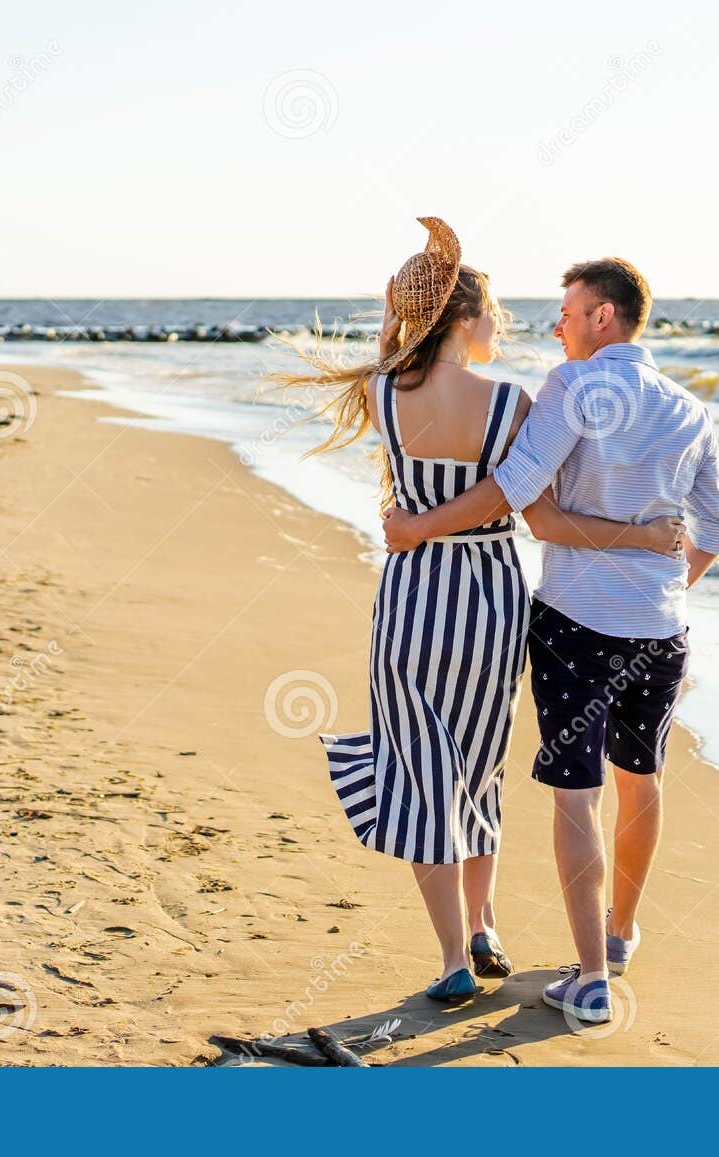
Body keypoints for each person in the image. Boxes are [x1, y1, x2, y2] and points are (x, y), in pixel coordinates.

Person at [276, 220, 683, 1002]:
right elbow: (519, 495)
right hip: (490, 598)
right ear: (465, 318)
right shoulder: (512, 403)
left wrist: (406, 304)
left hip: (412, 594)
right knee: (477, 769)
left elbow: (403, 394)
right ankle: (486, 918)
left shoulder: (377, 391)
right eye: (493, 312)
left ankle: (453, 957)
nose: (503, 326)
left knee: (421, 771)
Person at [382, 256, 719, 1024]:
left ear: (603, 316)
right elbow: (716, 532)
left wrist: (413, 528)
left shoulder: (572, 387)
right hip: (661, 630)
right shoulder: (688, 407)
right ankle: (620, 937)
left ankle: (591, 981)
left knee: (578, 800)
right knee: (643, 781)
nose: (557, 325)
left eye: (568, 312)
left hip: (576, 622)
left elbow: (522, 502)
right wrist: (662, 583)